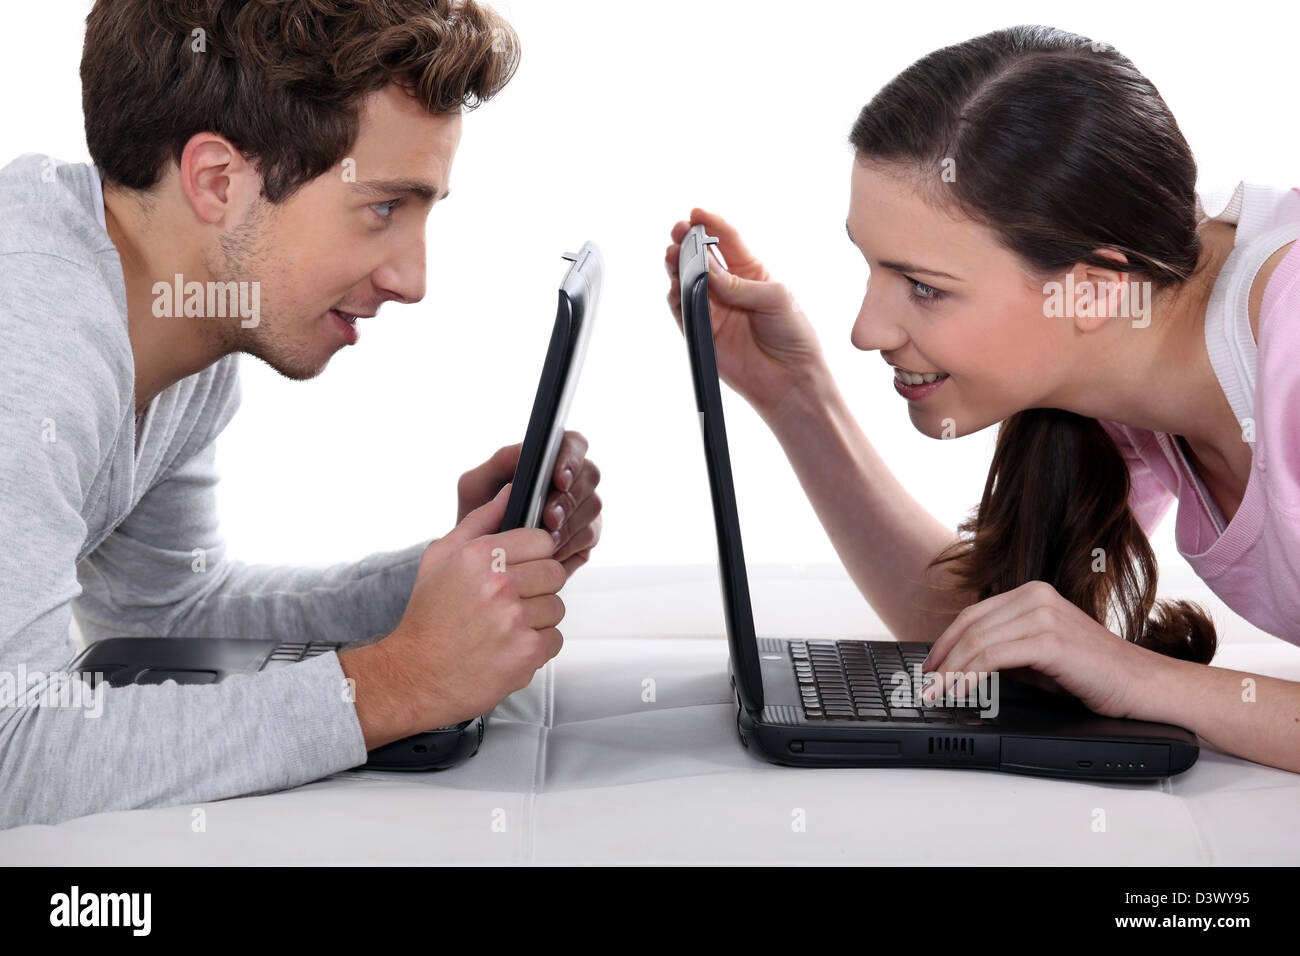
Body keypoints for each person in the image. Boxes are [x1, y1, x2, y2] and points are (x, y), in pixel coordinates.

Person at [0, 0, 601, 829]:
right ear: (218, 181)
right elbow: (11, 755)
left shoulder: (191, 321)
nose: (413, 278)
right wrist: (397, 683)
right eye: (385, 208)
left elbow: (165, 615)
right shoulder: (27, 329)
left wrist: (438, 581)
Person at [664, 25, 1299, 773]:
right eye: (871, 268)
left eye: (925, 287)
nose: (866, 331)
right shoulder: (1128, 353)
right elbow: (986, 638)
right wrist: (793, 394)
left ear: (1092, 288)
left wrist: (1143, 679)